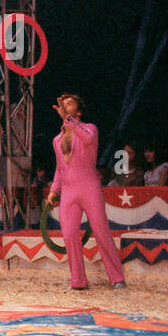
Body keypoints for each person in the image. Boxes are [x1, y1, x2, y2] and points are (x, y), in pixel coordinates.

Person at [44, 93, 125, 290]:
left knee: (101, 231)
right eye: (63, 103)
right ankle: (78, 281)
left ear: (78, 111)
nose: (64, 105)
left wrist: (69, 120)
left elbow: (87, 139)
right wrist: (54, 190)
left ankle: (117, 277)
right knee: (69, 234)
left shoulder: (90, 129)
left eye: (69, 103)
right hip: (69, 192)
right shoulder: (57, 140)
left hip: (89, 188)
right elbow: (59, 168)